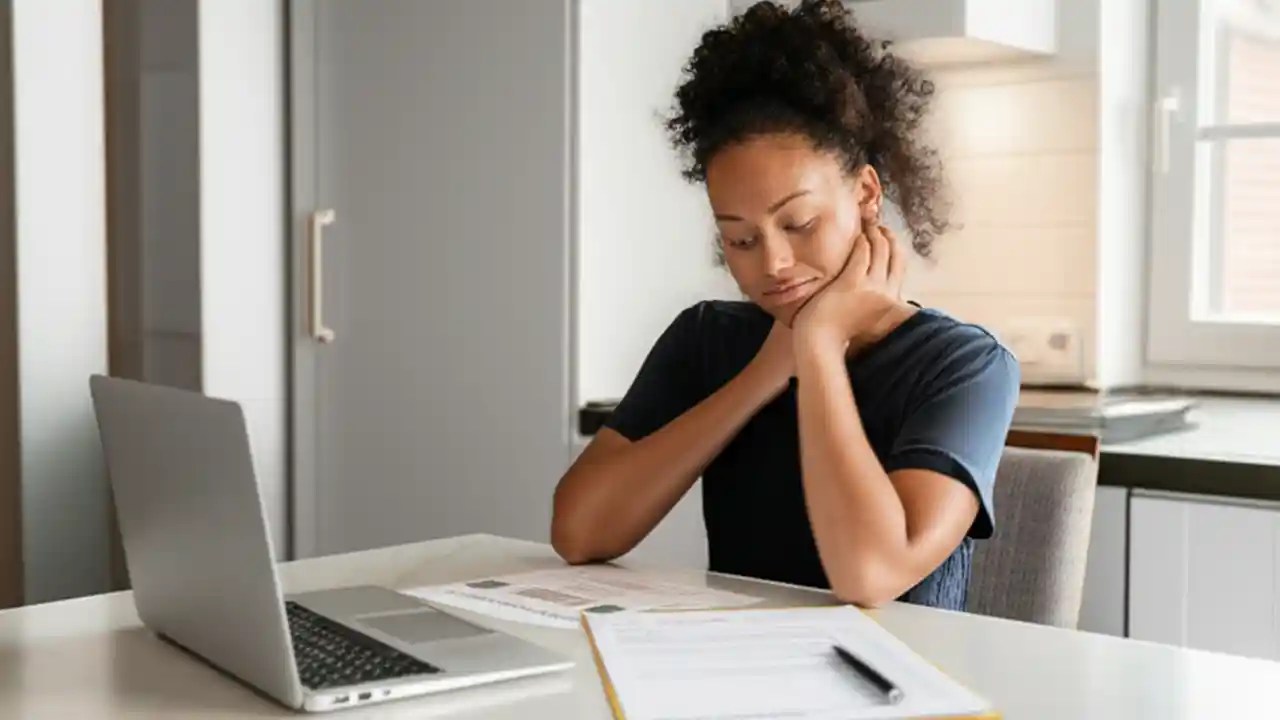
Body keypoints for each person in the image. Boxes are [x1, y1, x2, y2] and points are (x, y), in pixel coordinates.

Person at [550, 0, 1019, 610]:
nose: (770, 264)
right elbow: (579, 532)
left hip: (902, 691)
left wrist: (819, 347)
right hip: (742, 683)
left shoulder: (964, 365)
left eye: (798, 223)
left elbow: (871, 576)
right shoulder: (707, 339)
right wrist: (765, 373)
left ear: (866, 193)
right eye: (740, 239)